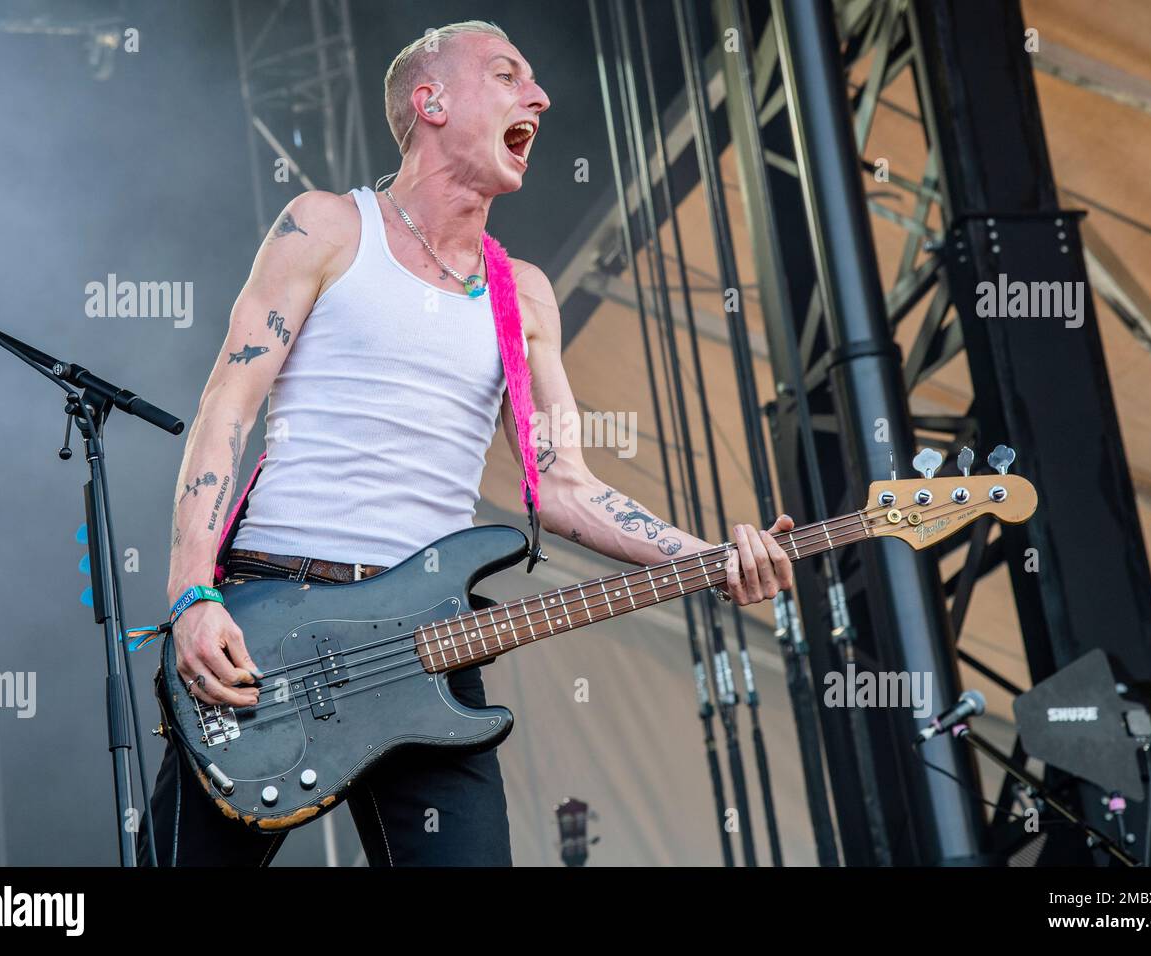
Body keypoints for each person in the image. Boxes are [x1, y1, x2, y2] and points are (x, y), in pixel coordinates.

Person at [139, 19, 794, 868]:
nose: (540, 97)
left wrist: (711, 558)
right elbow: (225, 407)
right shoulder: (326, 227)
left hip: (429, 648)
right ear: (432, 100)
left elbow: (566, 486)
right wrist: (193, 594)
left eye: (535, 81)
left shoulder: (524, 295)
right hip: (270, 621)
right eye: (507, 75)